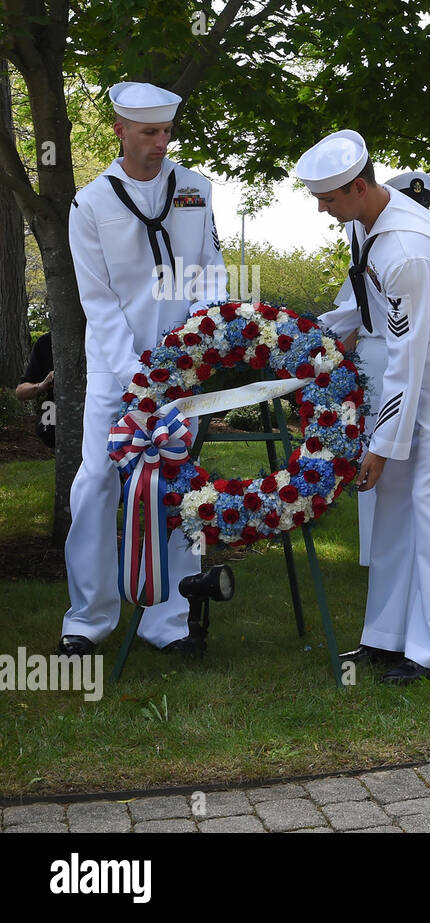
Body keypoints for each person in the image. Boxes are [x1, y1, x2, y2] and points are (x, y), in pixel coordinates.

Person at [297, 131, 430, 684]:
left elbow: (405, 359)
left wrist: (381, 446)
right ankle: (386, 636)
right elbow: (362, 310)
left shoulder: (406, 249)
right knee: (390, 499)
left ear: (360, 187)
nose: (322, 209)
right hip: (418, 365)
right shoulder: (366, 222)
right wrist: (296, 337)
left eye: (329, 199)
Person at [58, 82, 227, 657]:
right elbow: (98, 300)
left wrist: (199, 343)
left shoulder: (197, 191)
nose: (161, 143)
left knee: (175, 484)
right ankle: (89, 618)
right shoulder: (91, 202)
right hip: (115, 371)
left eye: (167, 132)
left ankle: (171, 620)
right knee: (98, 485)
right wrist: (136, 375)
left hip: (181, 372)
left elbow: (210, 274)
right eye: (149, 132)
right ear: (120, 131)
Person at [325, 170, 430, 566]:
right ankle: (376, 552)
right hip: (380, 356)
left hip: (423, 358)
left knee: (422, 455)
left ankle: (416, 549)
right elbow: (351, 308)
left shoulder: (415, 246)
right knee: (378, 450)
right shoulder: (365, 243)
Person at [15, 332, 56, 448]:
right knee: (46, 428)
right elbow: (20, 392)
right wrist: (43, 385)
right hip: (57, 405)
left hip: (98, 403)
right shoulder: (45, 342)